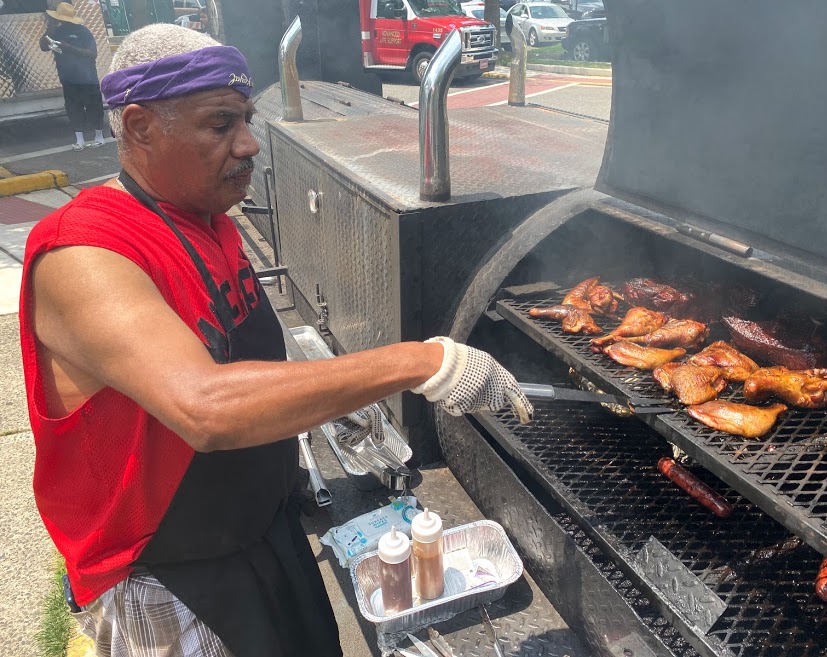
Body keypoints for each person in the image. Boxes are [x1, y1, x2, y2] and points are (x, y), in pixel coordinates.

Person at [19, 23, 532, 657]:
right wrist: (418, 361)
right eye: (220, 125)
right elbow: (203, 406)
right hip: (166, 576)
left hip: (262, 531)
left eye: (247, 120)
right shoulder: (86, 252)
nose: (249, 145)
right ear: (140, 127)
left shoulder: (208, 222)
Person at [39, 2, 105, 151]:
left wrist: (70, 48)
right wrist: (49, 29)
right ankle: (79, 140)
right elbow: (43, 46)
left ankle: (99, 137)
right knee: (73, 108)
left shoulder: (83, 31)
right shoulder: (56, 31)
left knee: (93, 107)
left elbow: (92, 53)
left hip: (87, 78)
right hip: (68, 78)